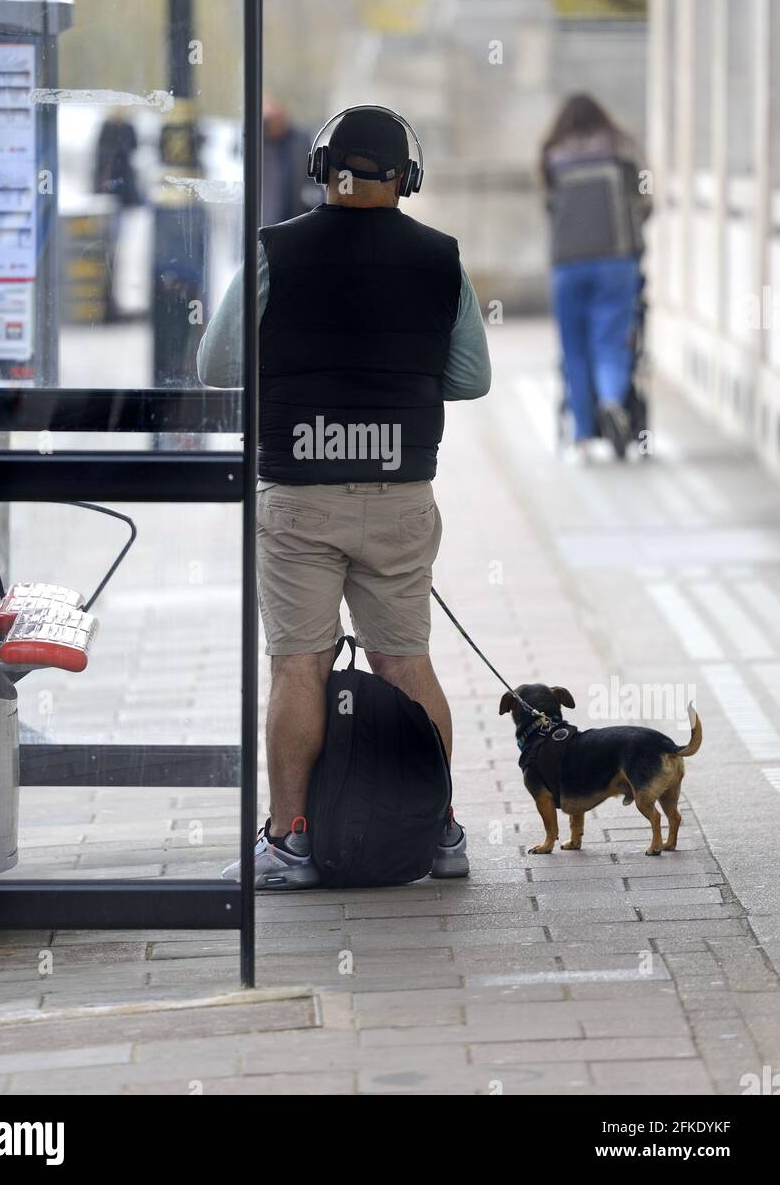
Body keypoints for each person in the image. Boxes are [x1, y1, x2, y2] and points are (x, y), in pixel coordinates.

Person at [198, 104, 491, 889]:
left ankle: (290, 844)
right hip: (400, 491)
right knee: (405, 663)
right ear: (408, 177)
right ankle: (438, 834)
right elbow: (470, 379)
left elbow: (217, 362)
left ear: (322, 170)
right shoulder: (440, 259)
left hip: (299, 492)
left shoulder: (275, 250)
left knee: (299, 667)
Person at [540, 93, 652, 461]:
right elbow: (646, 201)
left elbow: (548, 205)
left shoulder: (552, 153)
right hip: (615, 261)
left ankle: (584, 436)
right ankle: (611, 401)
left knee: (573, 348)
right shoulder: (621, 148)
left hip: (567, 265)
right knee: (611, 340)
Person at [262, 96, 318, 225]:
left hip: (296, 211)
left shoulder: (301, 139)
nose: (272, 123)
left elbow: (312, 175)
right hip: (268, 217)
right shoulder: (260, 143)